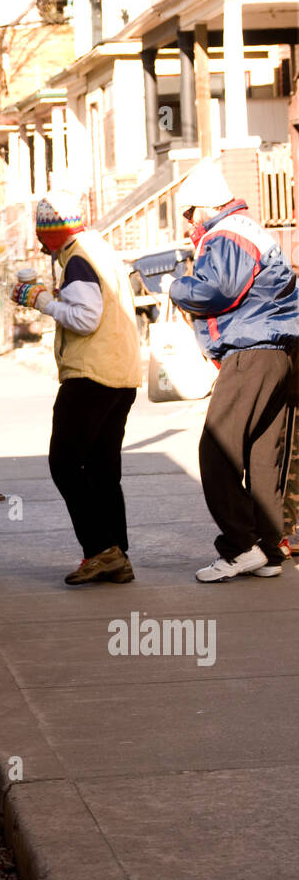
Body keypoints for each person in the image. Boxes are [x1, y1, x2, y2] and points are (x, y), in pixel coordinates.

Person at [168, 161, 299, 581]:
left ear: (204, 207)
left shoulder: (225, 234)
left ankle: (240, 547)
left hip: (250, 352)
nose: (189, 222)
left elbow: (216, 291)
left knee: (217, 450)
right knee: (262, 454)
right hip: (279, 353)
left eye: (189, 213)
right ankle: (267, 548)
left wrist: (176, 286)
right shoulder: (252, 228)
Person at [10, 191, 141, 585]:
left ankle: (101, 551)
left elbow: (85, 319)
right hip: (122, 375)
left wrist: (41, 301)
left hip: (90, 376)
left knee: (65, 464)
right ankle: (115, 553)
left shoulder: (79, 259)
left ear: (49, 232)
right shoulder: (99, 250)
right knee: (102, 468)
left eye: (40, 231)